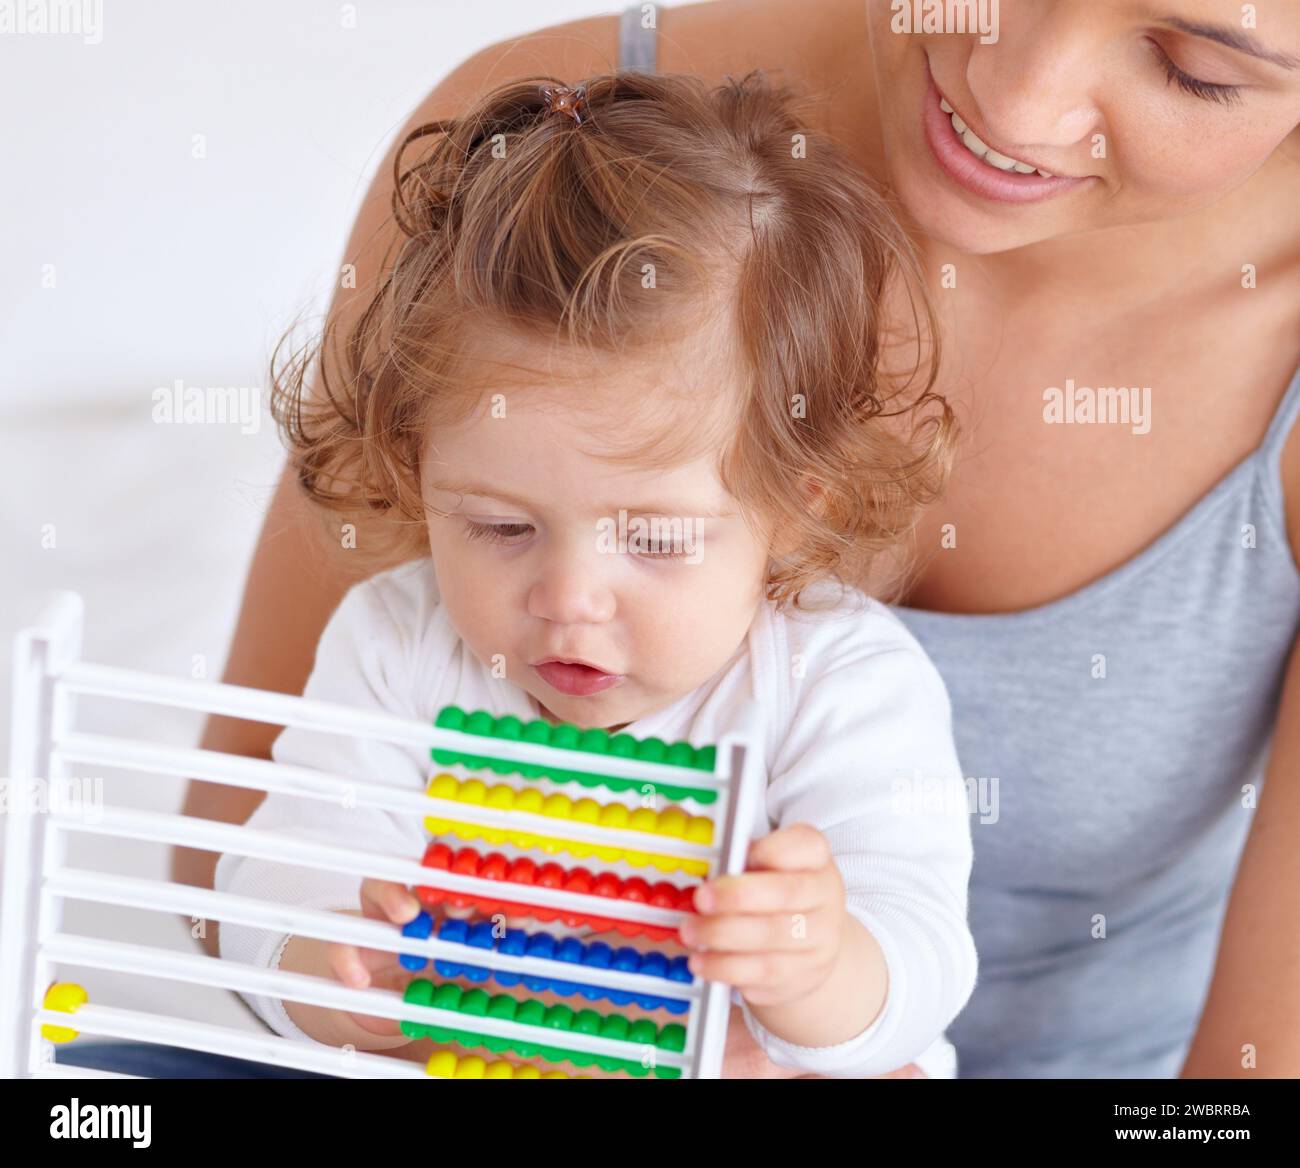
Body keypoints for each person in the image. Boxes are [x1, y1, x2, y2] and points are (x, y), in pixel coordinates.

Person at [171, 0, 1300, 1079]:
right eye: (501, 526)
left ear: (801, 505)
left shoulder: (836, 680)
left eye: (1193, 67)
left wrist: (819, 982)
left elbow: (913, 946)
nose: (1014, 98)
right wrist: (418, 998)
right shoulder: (533, 183)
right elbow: (253, 847)